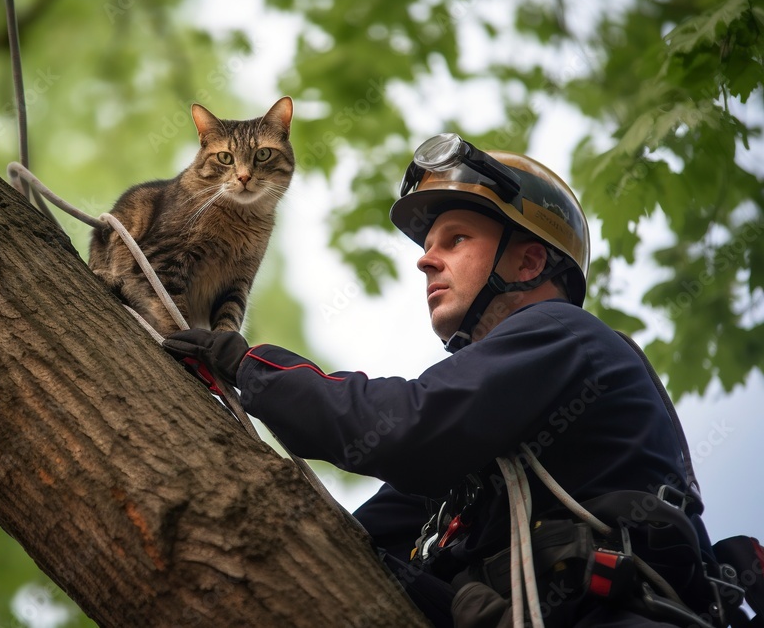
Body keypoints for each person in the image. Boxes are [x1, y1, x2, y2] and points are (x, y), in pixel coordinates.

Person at [163, 133, 725, 627]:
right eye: (428, 246)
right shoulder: (476, 461)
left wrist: (250, 364)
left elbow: (403, 426)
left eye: (454, 240)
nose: (425, 262)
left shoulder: (565, 335)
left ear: (528, 264)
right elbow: (358, 542)